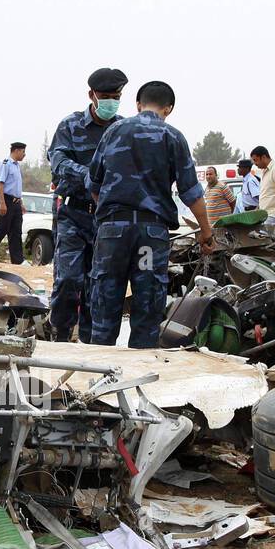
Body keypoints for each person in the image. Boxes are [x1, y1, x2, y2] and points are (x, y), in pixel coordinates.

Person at [87, 80, 212, 348]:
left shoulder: (114, 131)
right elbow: (191, 192)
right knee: (146, 304)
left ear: (138, 104)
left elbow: (93, 185)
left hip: (113, 232)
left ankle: (96, 375)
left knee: (106, 301)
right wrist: (206, 231)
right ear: (168, 109)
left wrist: (110, 213)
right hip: (150, 235)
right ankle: (138, 374)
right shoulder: (173, 137)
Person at [47, 67, 128, 343]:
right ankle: (58, 333)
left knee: (98, 283)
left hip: (106, 219)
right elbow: (58, 163)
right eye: (105, 96)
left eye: (115, 96)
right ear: (91, 95)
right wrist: (90, 176)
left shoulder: (122, 129)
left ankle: (88, 344)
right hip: (73, 213)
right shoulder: (70, 126)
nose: (110, 101)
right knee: (69, 279)